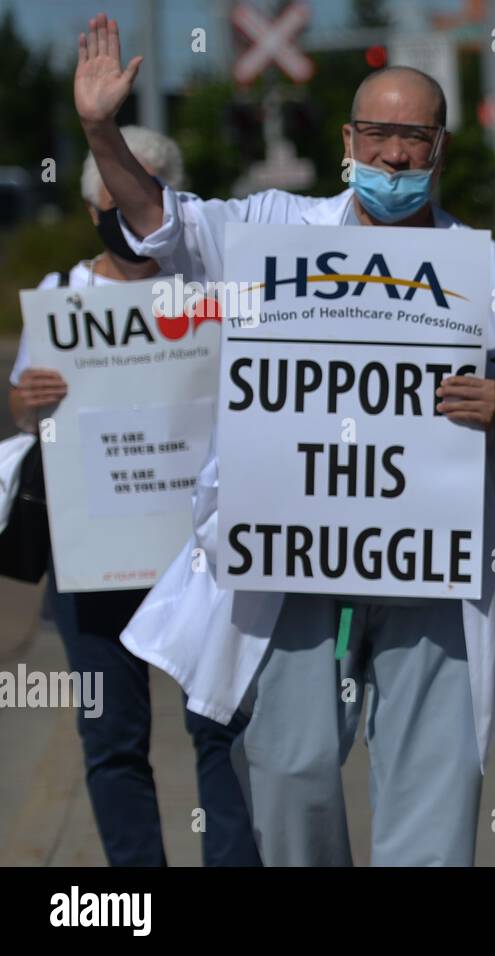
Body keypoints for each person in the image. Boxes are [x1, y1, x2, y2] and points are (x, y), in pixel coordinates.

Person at [75, 14, 495, 865]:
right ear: (347, 139)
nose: (392, 155)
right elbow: (161, 224)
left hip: (433, 567)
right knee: (290, 768)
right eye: (376, 132)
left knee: (434, 784)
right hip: (297, 560)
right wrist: (100, 131)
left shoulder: (483, 267)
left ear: (439, 149)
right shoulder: (275, 234)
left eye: (411, 136)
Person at [6, 125, 260, 867]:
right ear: (90, 210)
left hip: (204, 557)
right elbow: (27, 409)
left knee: (221, 727)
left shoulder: (212, 296)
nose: (124, 209)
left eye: (140, 193)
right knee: (111, 738)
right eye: (110, 197)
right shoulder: (62, 299)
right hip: (95, 559)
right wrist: (27, 401)